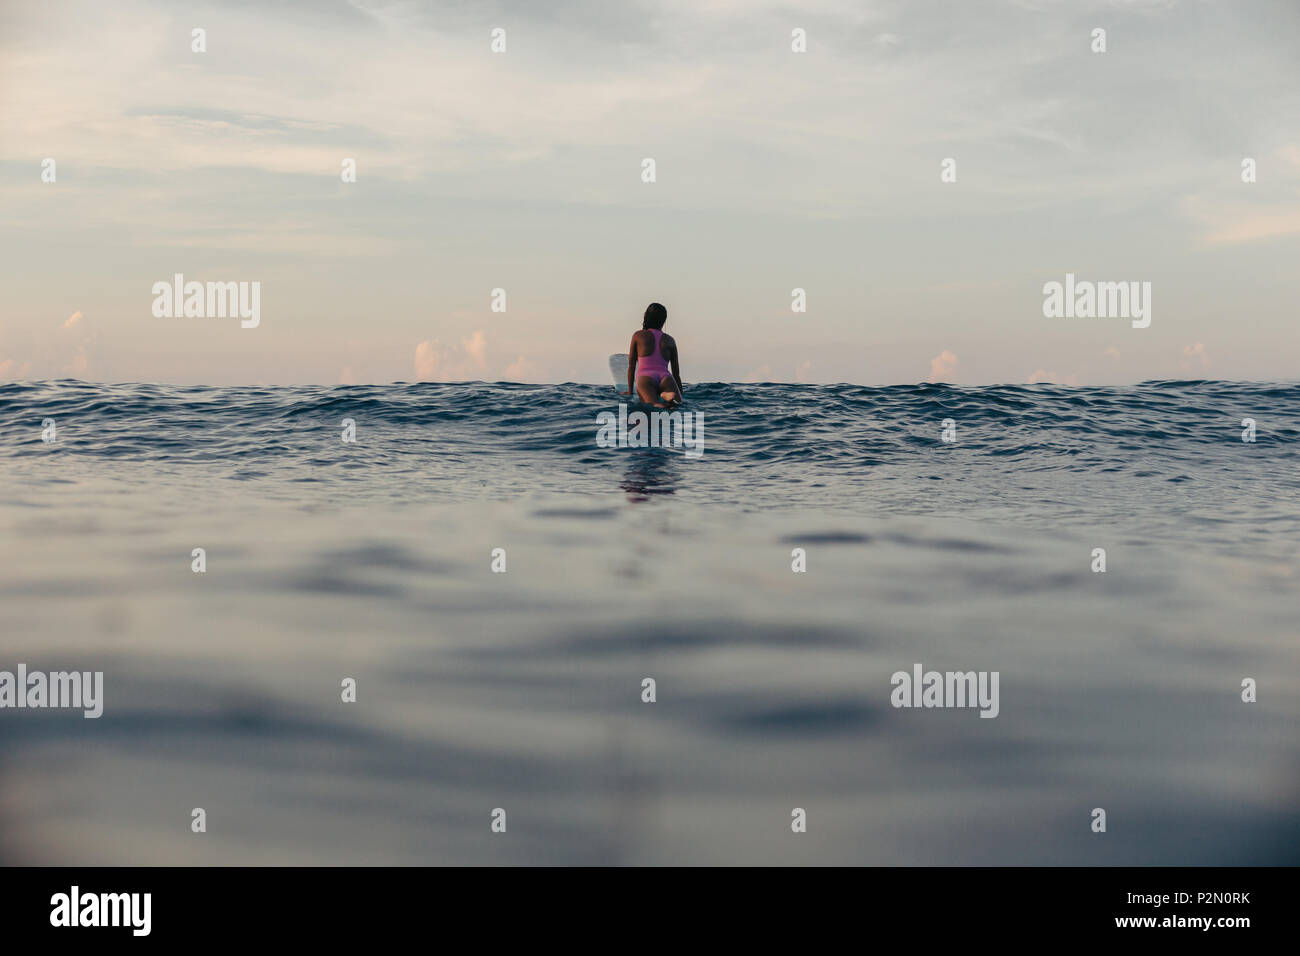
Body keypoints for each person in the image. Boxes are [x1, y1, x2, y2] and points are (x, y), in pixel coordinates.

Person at [623, 302, 683, 407]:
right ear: (664, 321)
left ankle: (660, 399)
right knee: (677, 404)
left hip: (645, 377)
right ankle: (665, 395)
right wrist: (681, 394)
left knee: (654, 404)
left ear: (646, 317)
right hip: (666, 378)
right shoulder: (670, 340)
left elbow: (631, 366)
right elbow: (676, 374)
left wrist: (630, 391)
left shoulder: (638, 335)